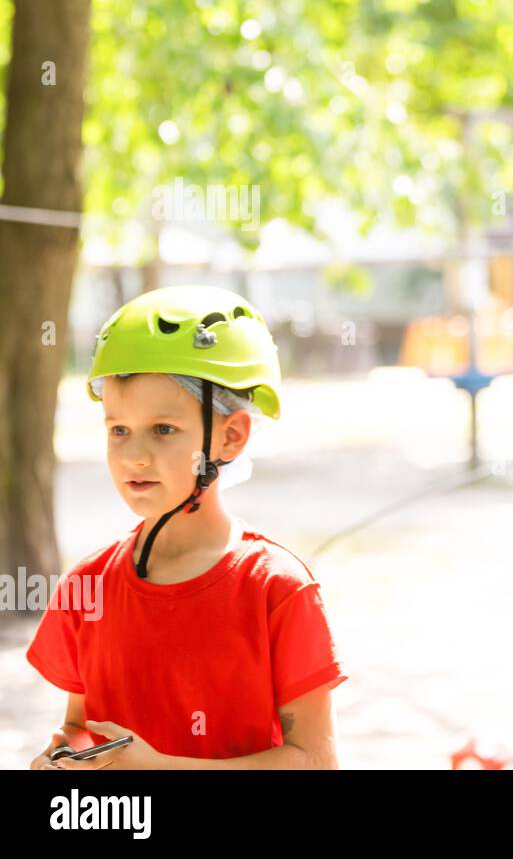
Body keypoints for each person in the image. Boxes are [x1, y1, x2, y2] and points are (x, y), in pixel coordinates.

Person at [27, 285, 346, 769]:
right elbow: (81, 727)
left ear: (230, 436)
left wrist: (162, 767)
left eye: (163, 429)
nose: (134, 454)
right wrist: (64, 758)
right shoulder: (85, 584)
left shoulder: (277, 590)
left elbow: (315, 761)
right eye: (118, 430)